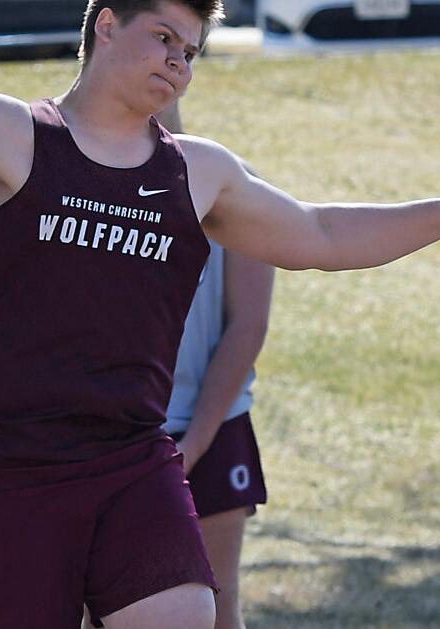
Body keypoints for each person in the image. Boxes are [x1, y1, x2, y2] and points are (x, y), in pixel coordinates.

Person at [0, 0, 440, 626]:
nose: (178, 61)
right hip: (2, 462)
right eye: (164, 38)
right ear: (107, 27)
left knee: (183, 613)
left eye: (190, 51)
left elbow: (319, 235)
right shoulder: (8, 133)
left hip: (129, 455)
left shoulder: (198, 171)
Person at [161, 102, 271, 629]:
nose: (167, 61)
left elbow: (247, 325)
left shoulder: (233, 183)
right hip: (110, 439)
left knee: (216, 608)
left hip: (213, 428)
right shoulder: (75, 181)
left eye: (182, 46)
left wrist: (194, 446)